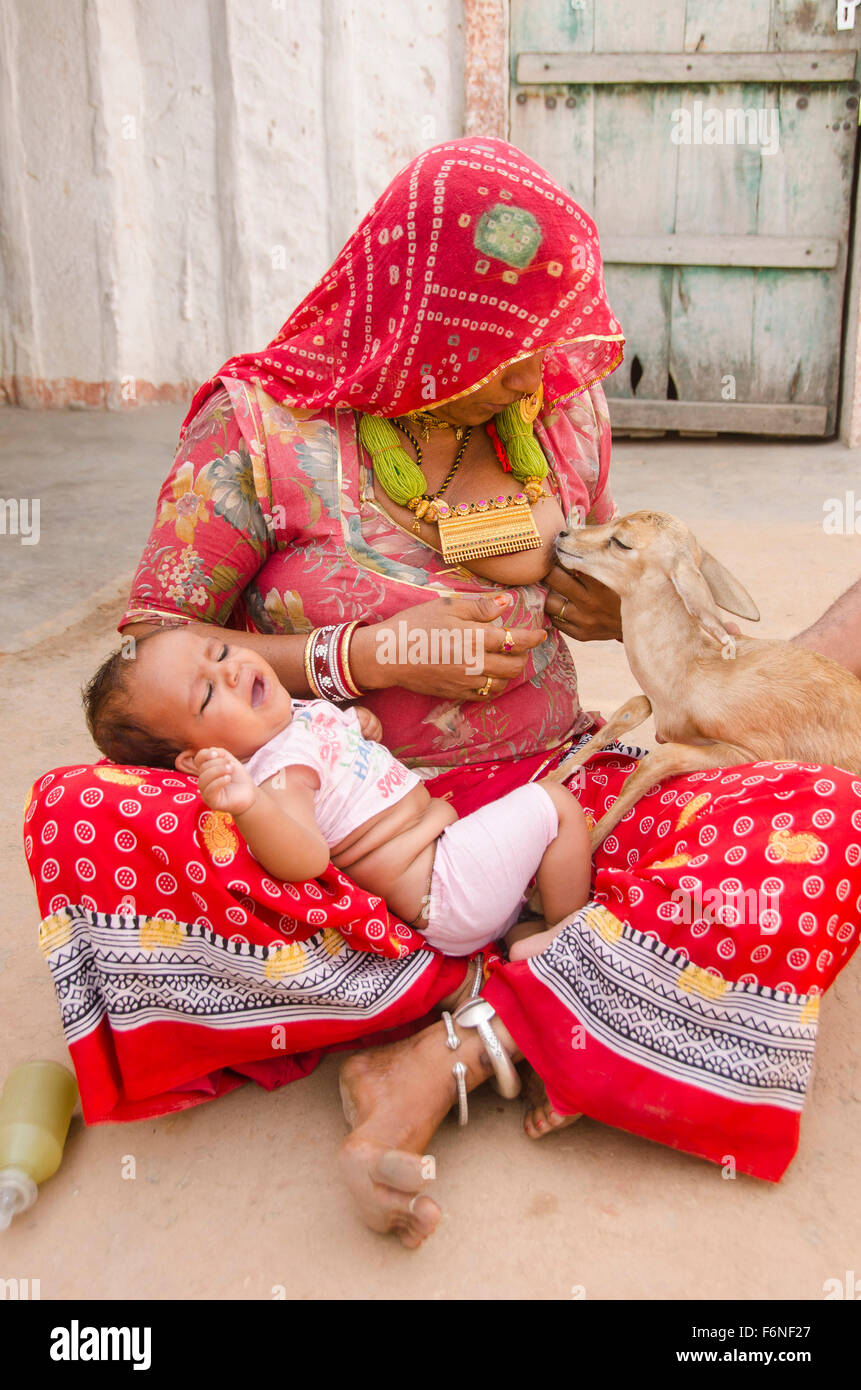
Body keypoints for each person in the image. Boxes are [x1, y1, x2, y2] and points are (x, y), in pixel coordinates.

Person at [23, 139, 861, 1250]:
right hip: (329, 845)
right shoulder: (262, 432)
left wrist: (614, 602)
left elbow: (601, 585)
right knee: (88, 815)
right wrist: (362, 660)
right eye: (508, 354)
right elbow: (159, 656)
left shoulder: (557, 411)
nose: (542, 376)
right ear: (425, 328)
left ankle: (449, 1042)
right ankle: (565, 988)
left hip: (563, 800)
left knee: (820, 823)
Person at [82, 624, 590, 957]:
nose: (231, 669)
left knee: (532, 820)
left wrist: (357, 727)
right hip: (442, 886)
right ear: (195, 759)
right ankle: (568, 936)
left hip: (451, 868)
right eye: (210, 691)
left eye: (221, 652)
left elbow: (338, 759)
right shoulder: (281, 772)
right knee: (555, 805)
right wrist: (253, 807)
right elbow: (303, 857)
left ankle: (524, 936)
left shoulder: (287, 721)